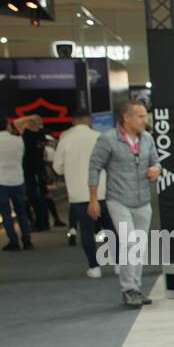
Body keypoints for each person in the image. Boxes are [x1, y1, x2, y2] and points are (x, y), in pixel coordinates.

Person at [88, 99, 162, 309]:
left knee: (138, 245)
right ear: (126, 117)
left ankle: (135, 288)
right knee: (129, 243)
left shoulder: (147, 138)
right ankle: (128, 288)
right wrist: (93, 199)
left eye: (145, 115)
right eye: (140, 116)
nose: (144, 120)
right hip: (118, 200)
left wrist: (156, 169)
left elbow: (156, 161)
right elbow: (94, 167)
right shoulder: (108, 139)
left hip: (143, 200)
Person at [54, 109, 108, 277]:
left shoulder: (65, 139)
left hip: (78, 193)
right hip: (101, 191)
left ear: (73, 121)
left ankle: (94, 267)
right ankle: (120, 264)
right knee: (110, 227)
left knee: (86, 230)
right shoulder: (99, 136)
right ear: (89, 120)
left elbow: (57, 167)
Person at [0, 120, 33, 252]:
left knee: (6, 214)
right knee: (21, 212)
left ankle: (13, 241)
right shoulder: (18, 140)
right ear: (7, 126)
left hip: (0, 180)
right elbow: (21, 156)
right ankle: (27, 240)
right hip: (17, 179)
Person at [21, 116, 51, 231]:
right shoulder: (41, 135)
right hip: (39, 167)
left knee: (32, 196)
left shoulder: (26, 135)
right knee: (42, 195)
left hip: (29, 168)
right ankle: (44, 221)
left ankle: (39, 222)